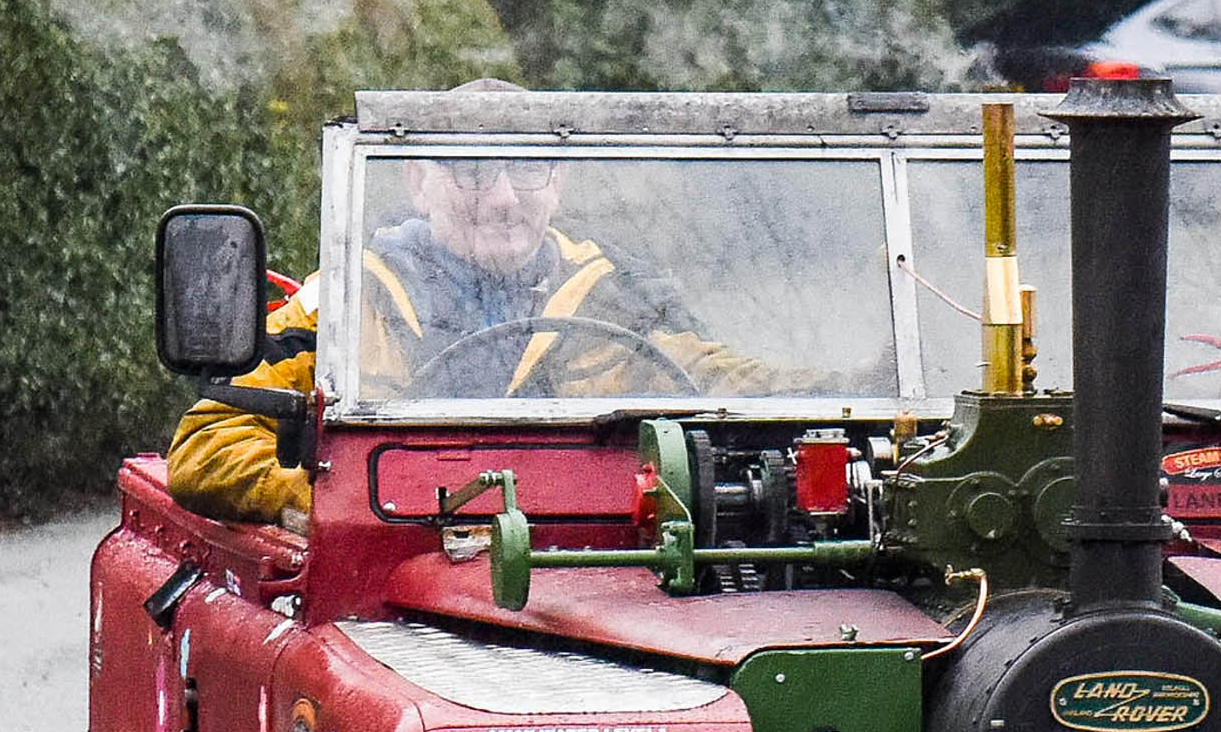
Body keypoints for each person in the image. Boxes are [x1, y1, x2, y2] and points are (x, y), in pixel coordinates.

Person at [162, 153, 774, 526]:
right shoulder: (346, 306)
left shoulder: (616, 299)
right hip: (388, 595)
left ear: (557, 183)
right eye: (473, 170)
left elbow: (720, 381)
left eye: (529, 168)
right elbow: (205, 444)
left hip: (599, 578)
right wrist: (316, 499)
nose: (505, 198)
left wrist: (854, 381)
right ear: (418, 183)